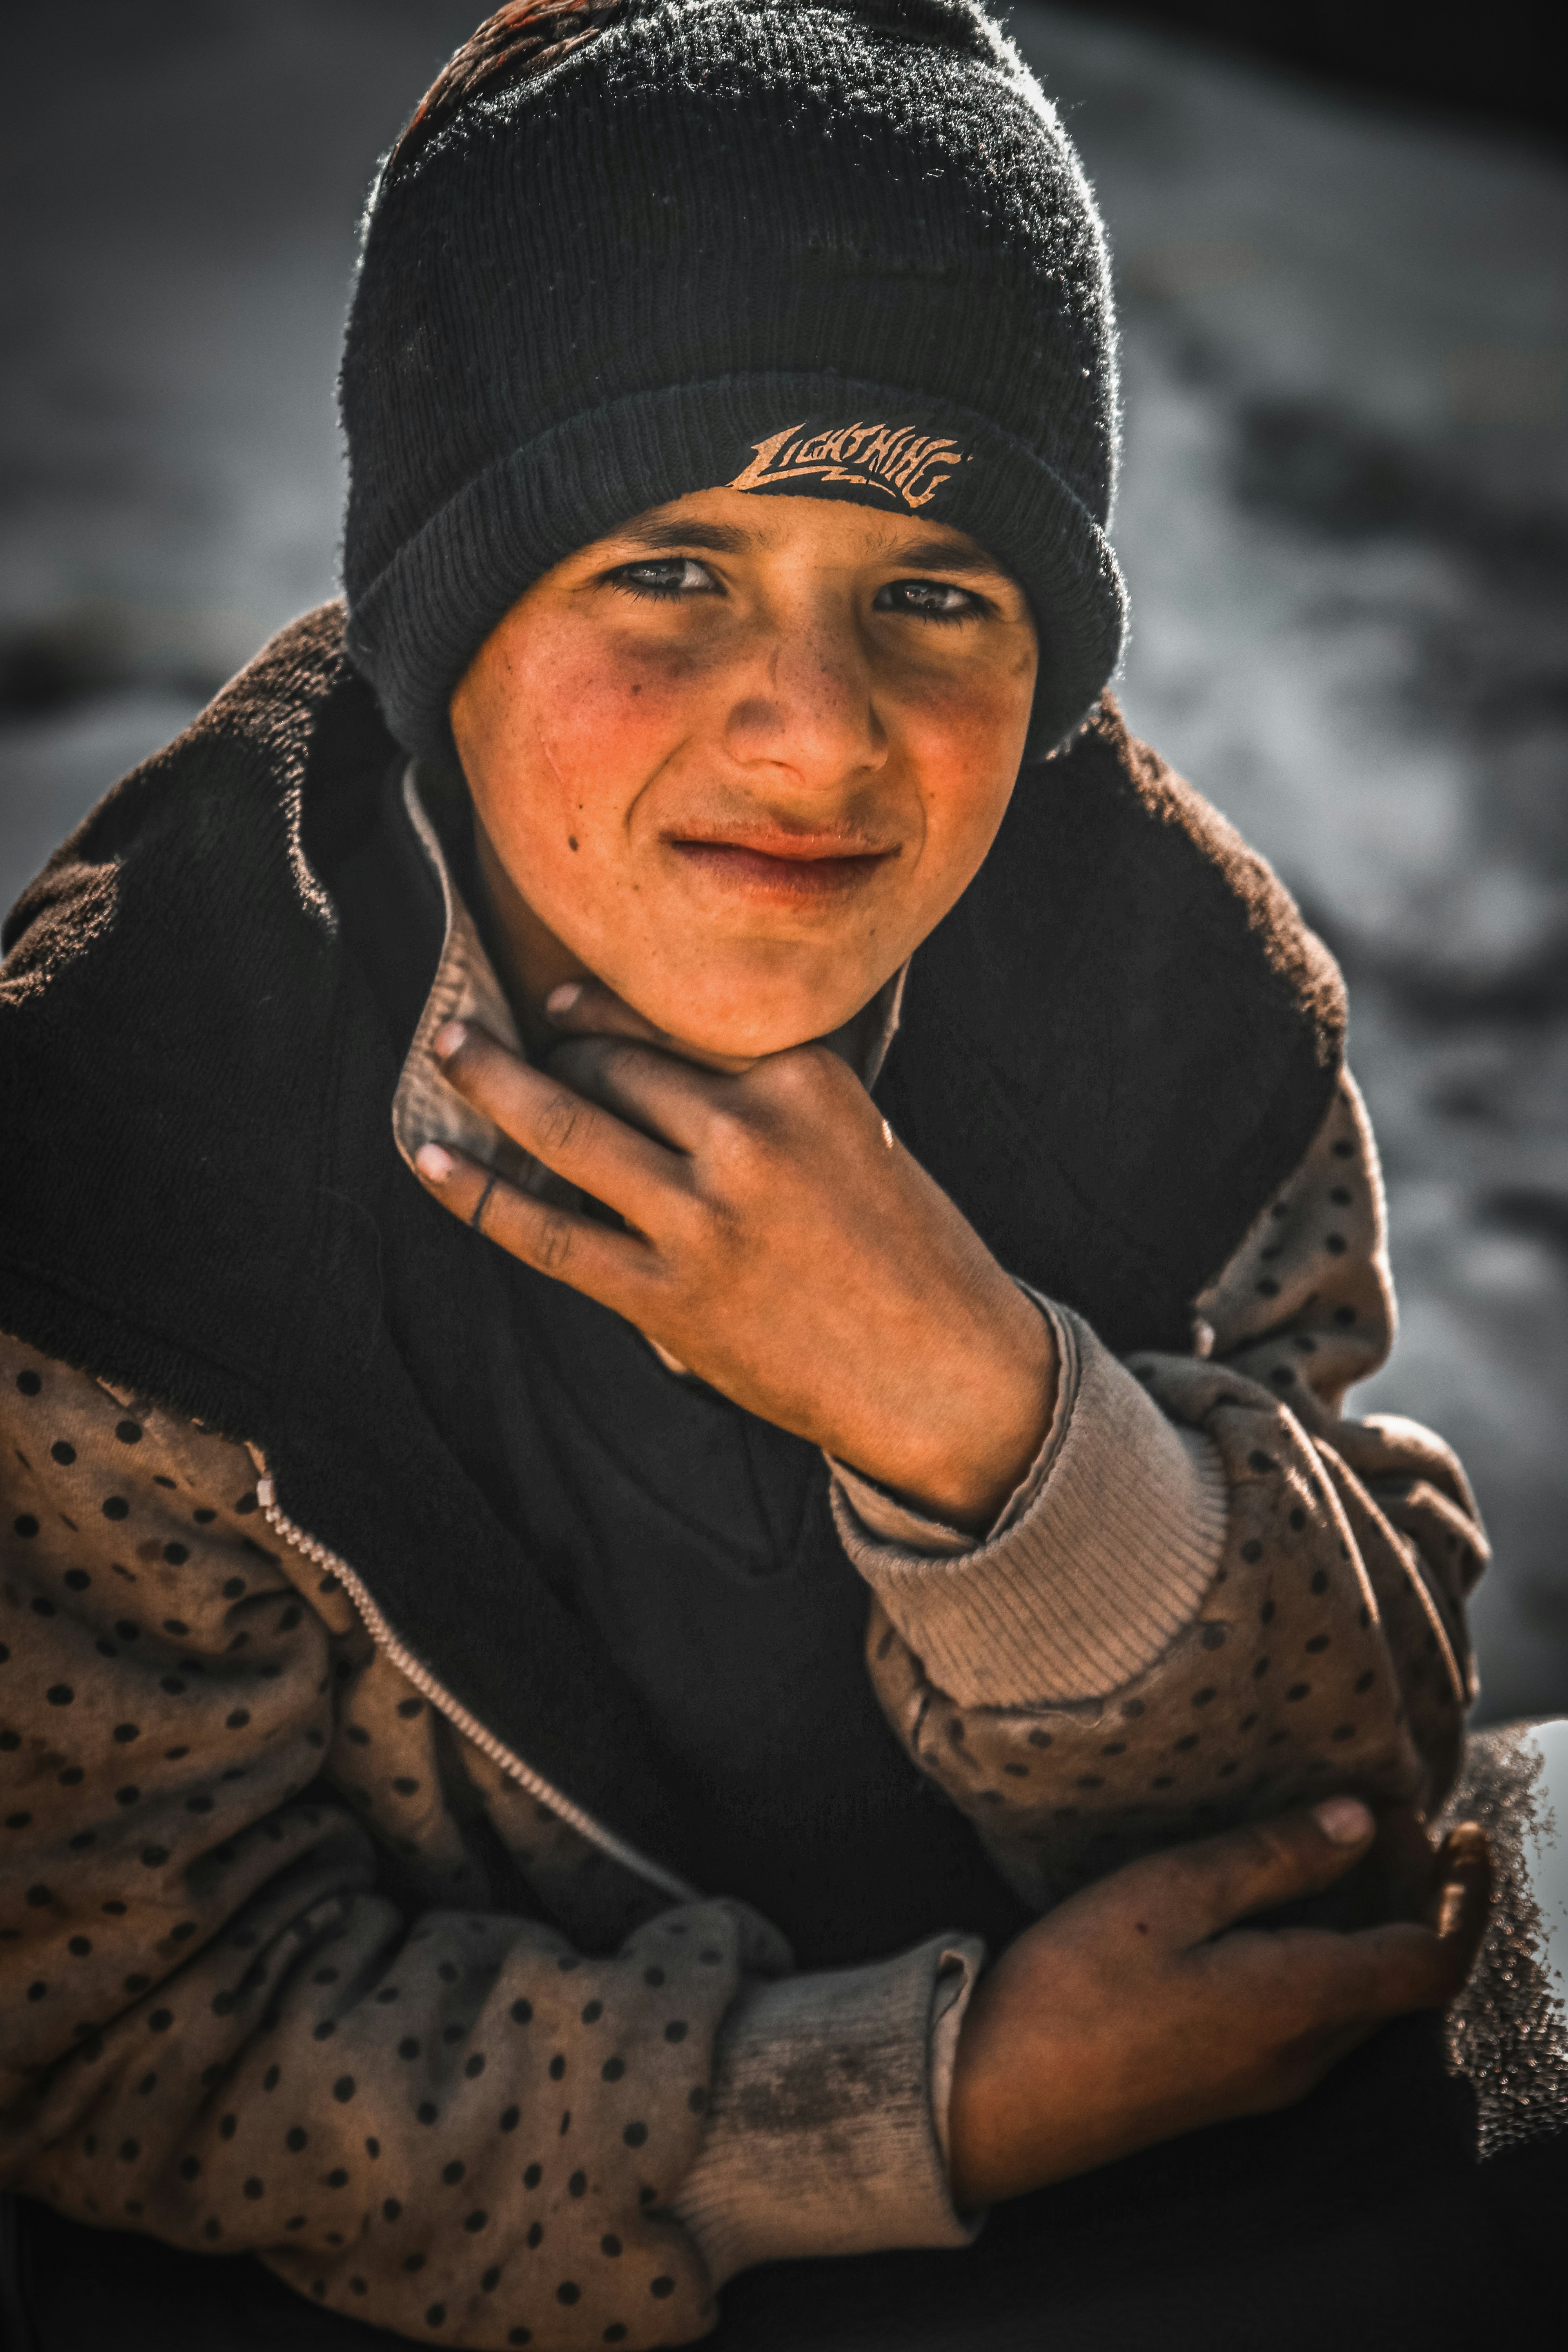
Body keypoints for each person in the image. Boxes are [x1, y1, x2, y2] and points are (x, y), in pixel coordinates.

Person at [0, 4, 1562, 2347]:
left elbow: (1355, 1776)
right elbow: (117, 2017)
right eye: (668, 570)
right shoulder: (140, 1161)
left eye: (936, 592)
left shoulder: (1172, 1018)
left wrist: (993, 1423)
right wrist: (917, 2105)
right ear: (446, 619)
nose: (818, 732)